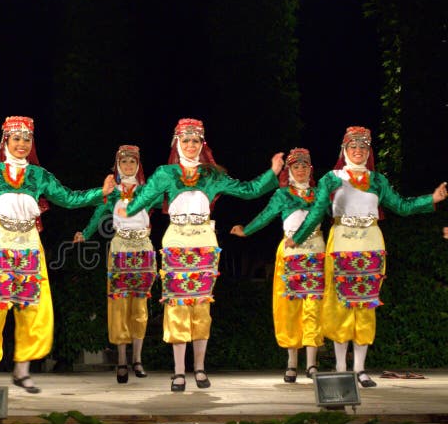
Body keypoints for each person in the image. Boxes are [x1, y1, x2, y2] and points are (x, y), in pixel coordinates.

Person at [0, 116, 116, 393]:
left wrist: (101, 192)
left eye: (27, 139)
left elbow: (69, 198)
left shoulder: (39, 175)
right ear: (5, 141)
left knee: (31, 307)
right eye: (16, 138)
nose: (22, 143)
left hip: (28, 243)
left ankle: (22, 371)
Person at [118, 118, 283, 392]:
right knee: (176, 305)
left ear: (202, 144)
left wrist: (273, 172)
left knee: (201, 305)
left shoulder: (211, 175)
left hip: (204, 243)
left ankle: (200, 368)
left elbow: (248, 190)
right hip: (176, 242)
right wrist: (127, 208)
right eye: (186, 140)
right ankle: (178, 371)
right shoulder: (165, 174)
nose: (191, 145)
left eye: (196, 140)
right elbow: (142, 198)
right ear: (177, 143)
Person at [286, 126, 447, 387]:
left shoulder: (377, 180)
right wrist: (300, 236)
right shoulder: (332, 178)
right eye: (353, 146)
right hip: (342, 244)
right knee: (341, 306)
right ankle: (341, 367)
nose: (358, 151)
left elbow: (401, 206)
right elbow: (317, 212)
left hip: (371, 244)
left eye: (363, 147)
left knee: (365, 306)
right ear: (344, 150)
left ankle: (360, 369)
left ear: (369, 151)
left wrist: (431, 199)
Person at [230, 148, 325, 383]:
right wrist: (246, 230)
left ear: (311, 169)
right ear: (289, 171)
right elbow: (266, 215)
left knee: (313, 307)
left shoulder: (320, 193)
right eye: (296, 166)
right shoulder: (282, 195)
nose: (300, 170)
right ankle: (292, 363)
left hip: (316, 252)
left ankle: (311, 364)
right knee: (290, 307)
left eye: (304, 166)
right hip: (291, 254)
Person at [73, 145, 159, 383]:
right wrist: (85, 234)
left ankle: (137, 359)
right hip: (120, 247)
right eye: (124, 162)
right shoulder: (112, 193)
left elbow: (170, 200)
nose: (128, 166)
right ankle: (121, 361)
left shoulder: (148, 191)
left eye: (132, 162)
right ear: (117, 166)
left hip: (143, 248)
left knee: (140, 305)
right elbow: (98, 214)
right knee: (119, 306)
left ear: (138, 166)